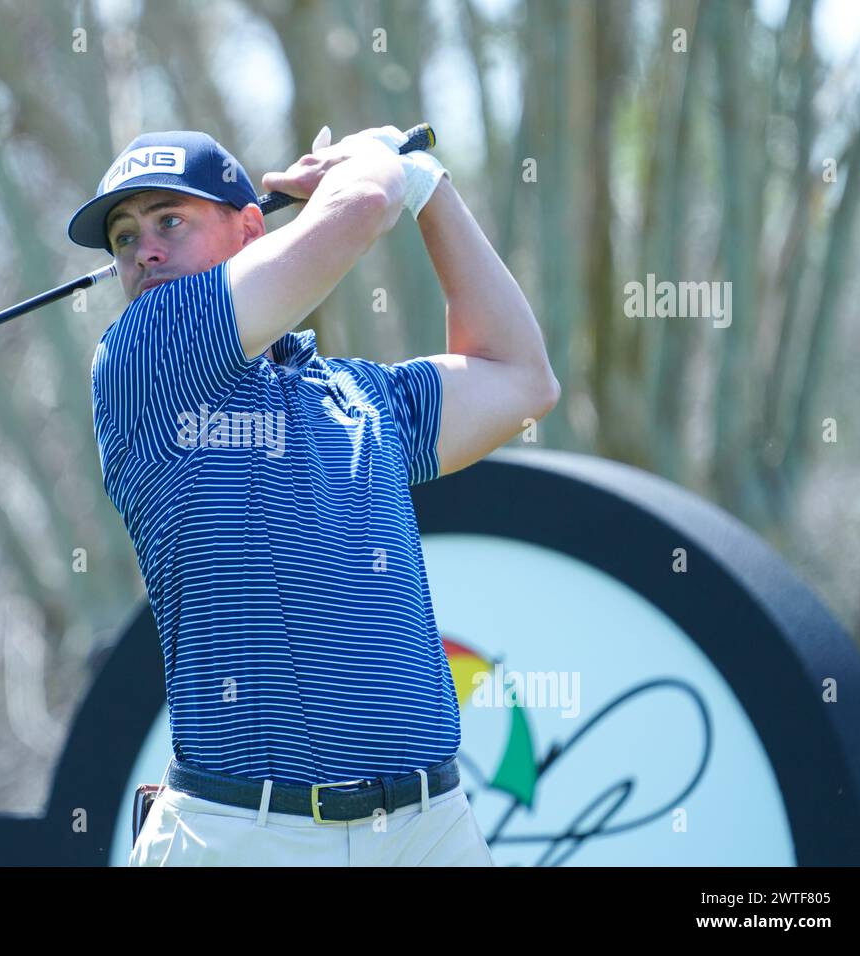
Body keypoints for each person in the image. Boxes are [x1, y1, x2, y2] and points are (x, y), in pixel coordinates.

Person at [67, 126, 559, 866]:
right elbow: (359, 206)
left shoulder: (361, 397)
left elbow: (523, 379)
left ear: (251, 227)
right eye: (125, 237)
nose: (144, 252)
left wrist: (427, 187)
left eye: (170, 220)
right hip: (245, 833)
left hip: (426, 829)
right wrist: (374, 166)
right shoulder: (143, 356)